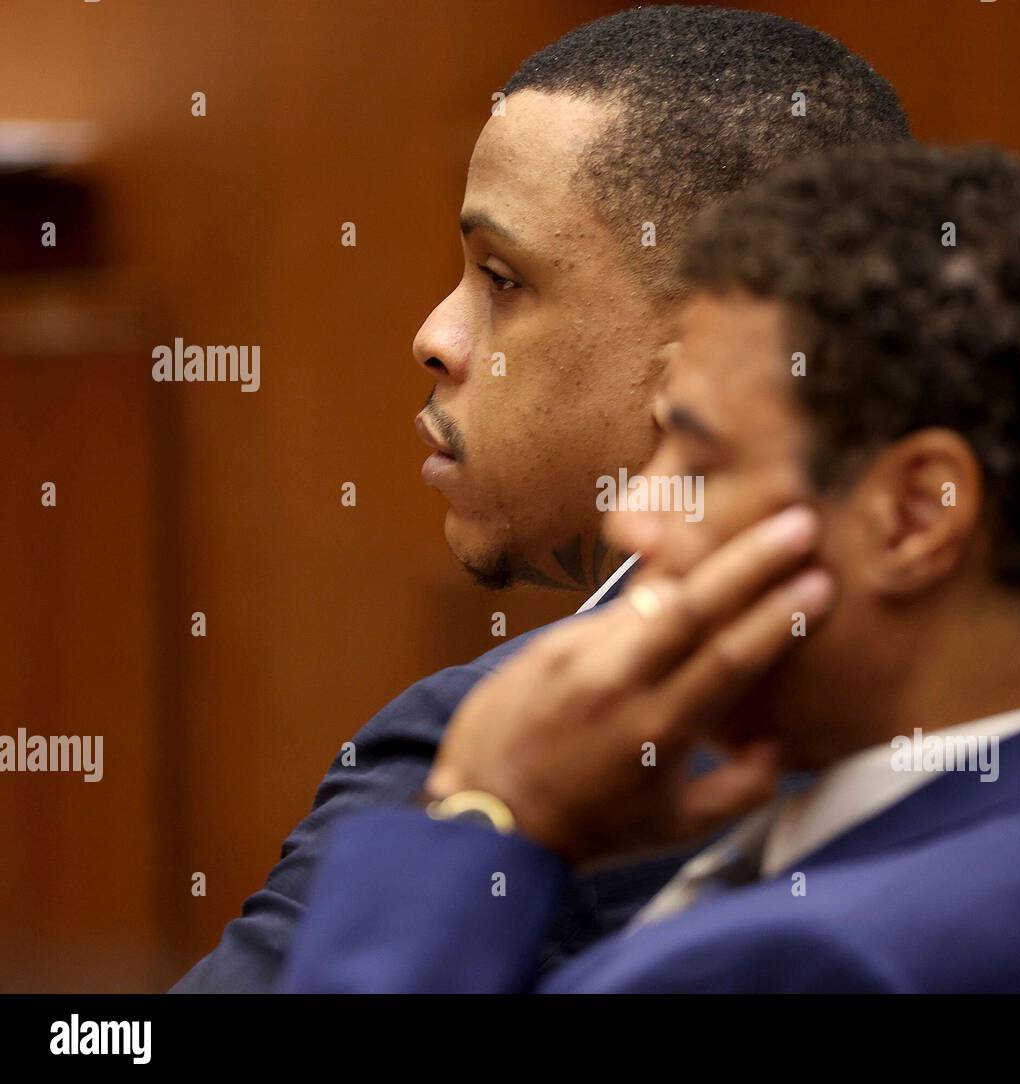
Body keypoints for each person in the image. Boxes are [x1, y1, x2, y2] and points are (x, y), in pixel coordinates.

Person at [281, 142, 1020, 993]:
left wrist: (486, 818)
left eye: (698, 455)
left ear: (914, 514)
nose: (635, 516)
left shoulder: (797, 965)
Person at [172, 5, 910, 992]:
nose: (436, 335)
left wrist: (484, 809)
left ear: (701, 367)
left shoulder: (479, 748)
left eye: (502, 279)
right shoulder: (992, 699)